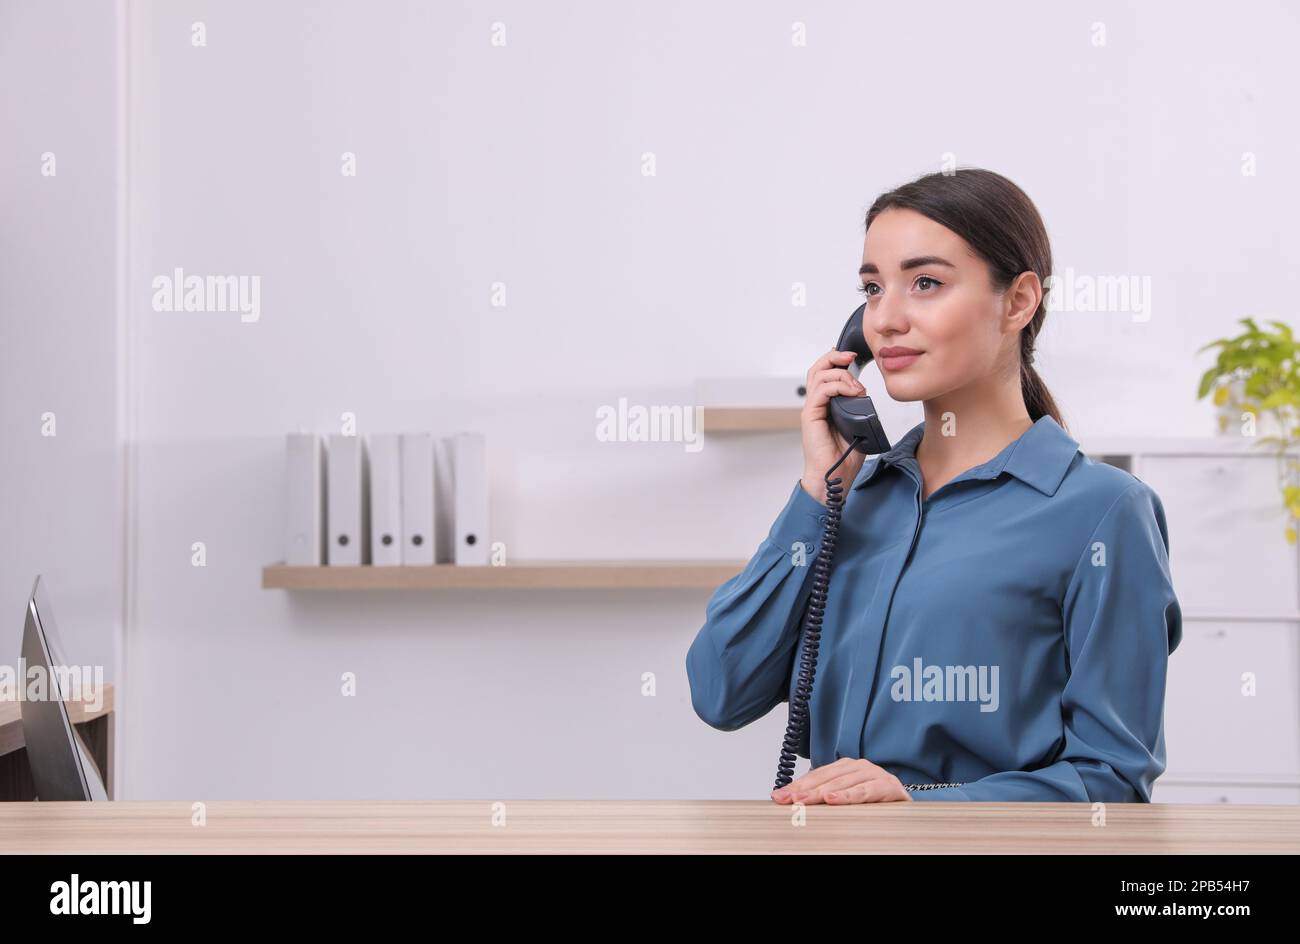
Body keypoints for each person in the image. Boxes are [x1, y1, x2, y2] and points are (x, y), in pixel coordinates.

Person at [685, 168, 1182, 803]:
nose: (885, 320)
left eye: (925, 283)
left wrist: (918, 807)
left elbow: (1110, 780)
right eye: (871, 288)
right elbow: (719, 693)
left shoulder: (1104, 512)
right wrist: (817, 490)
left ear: (1019, 301)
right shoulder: (846, 503)